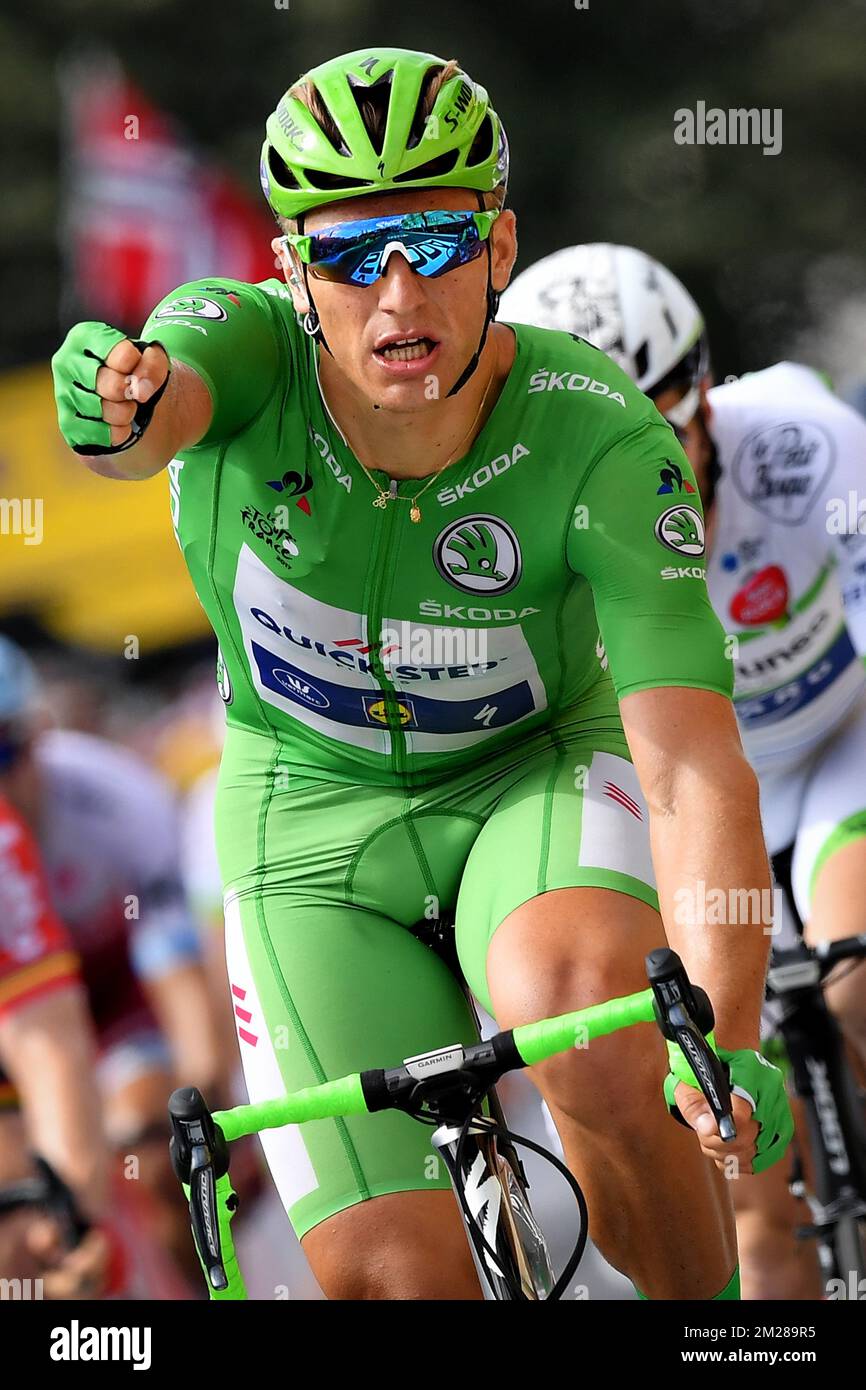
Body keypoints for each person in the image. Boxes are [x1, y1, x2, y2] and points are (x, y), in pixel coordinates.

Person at [52, 47, 792, 1301]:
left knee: (588, 1024)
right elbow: (156, 410)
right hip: (308, 826)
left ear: (500, 248)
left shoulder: (597, 431)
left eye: (435, 245)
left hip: (531, 777)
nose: (396, 296)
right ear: (291, 270)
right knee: (392, 1281)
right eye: (349, 254)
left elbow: (689, 764)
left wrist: (722, 1038)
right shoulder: (240, 346)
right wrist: (112, 413)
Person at [500, 241, 866, 1297]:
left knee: (853, 994)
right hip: (691, 811)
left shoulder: (803, 444)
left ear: (702, 397)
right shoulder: (530, 534)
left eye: (659, 434)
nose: (640, 473)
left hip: (830, 753)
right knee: (746, 1180)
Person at [0, 635, 220, 1289]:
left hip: (119, 1002)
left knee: (161, 1166)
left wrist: (199, 1100)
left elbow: (179, 981)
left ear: (40, 734)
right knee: (22, 1231)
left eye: (5, 752)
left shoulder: (114, 797)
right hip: (18, 1027)